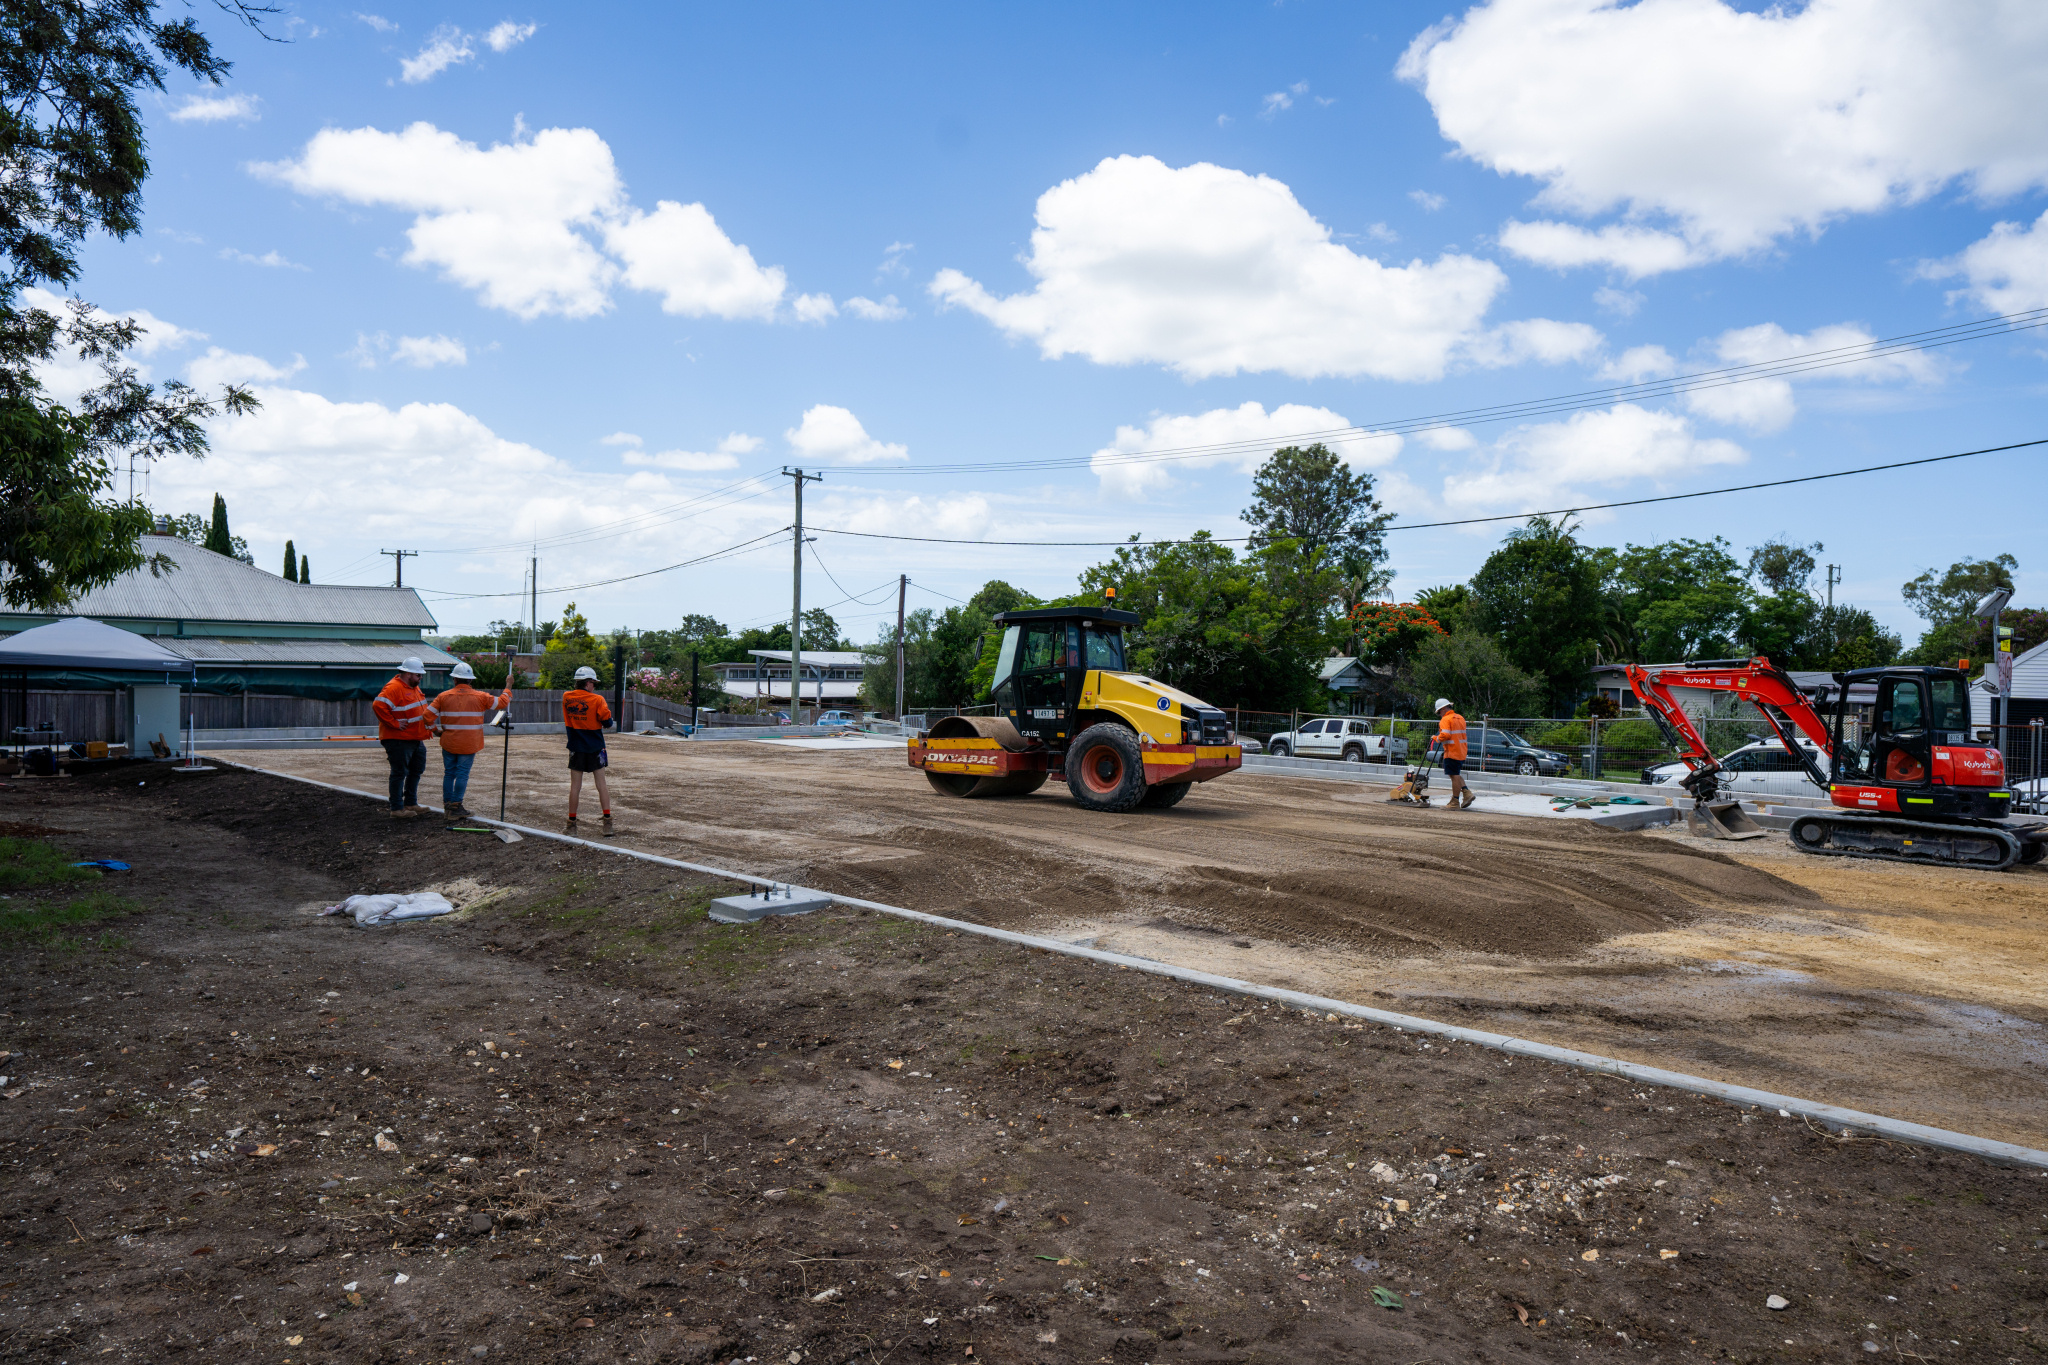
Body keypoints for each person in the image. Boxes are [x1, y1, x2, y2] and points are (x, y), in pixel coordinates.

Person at [428, 661, 512, 818]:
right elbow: (502, 702)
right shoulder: (480, 697)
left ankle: (448, 806)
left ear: (454, 679)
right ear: (470, 680)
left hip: (449, 742)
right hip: (468, 744)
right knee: (462, 774)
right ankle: (455, 807)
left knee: (449, 773)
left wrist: (435, 731)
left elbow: (427, 716)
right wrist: (508, 685)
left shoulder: (442, 697)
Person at [373, 656, 432, 817]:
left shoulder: (412, 687)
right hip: (398, 739)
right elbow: (378, 705)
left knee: (416, 770)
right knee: (399, 773)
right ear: (408, 674)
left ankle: (411, 803)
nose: (420, 678)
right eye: (418, 675)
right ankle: (397, 809)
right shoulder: (394, 687)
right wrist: (395, 724)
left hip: (414, 737)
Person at [562, 664, 615, 835]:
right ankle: (607, 823)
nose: (594, 687)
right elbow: (608, 722)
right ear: (588, 682)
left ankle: (571, 824)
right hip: (596, 747)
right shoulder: (598, 700)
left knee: (575, 787)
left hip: (576, 746)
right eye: (594, 683)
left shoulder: (566, 697)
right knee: (601, 784)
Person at [1430, 696, 1474, 810]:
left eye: (1439, 712)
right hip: (1461, 750)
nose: (1439, 714)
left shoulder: (1445, 719)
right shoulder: (1460, 718)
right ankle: (1467, 793)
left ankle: (1455, 801)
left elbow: (1445, 735)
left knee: (1454, 776)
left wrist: (1435, 738)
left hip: (1451, 751)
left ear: (1443, 709)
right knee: (1455, 773)